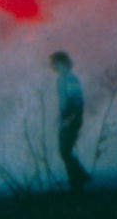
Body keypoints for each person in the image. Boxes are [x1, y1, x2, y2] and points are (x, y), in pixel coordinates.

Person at [50, 49, 90, 191]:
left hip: (71, 119)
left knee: (65, 151)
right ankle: (78, 180)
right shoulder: (62, 78)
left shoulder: (69, 78)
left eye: (53, 63)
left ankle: (80, 179)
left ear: (60, 63)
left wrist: (69, 119)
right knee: (65, 151)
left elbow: (77, 102)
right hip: (68, 118)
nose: (51, 67)